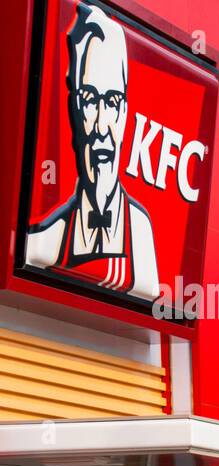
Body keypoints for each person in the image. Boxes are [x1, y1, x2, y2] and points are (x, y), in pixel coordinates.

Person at [25, 3, 159, 301]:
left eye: (111, 102)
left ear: (124, 112)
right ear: (74, 107)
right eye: (89, 99)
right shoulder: (42, 240)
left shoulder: (142, 238)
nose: (100, 125)